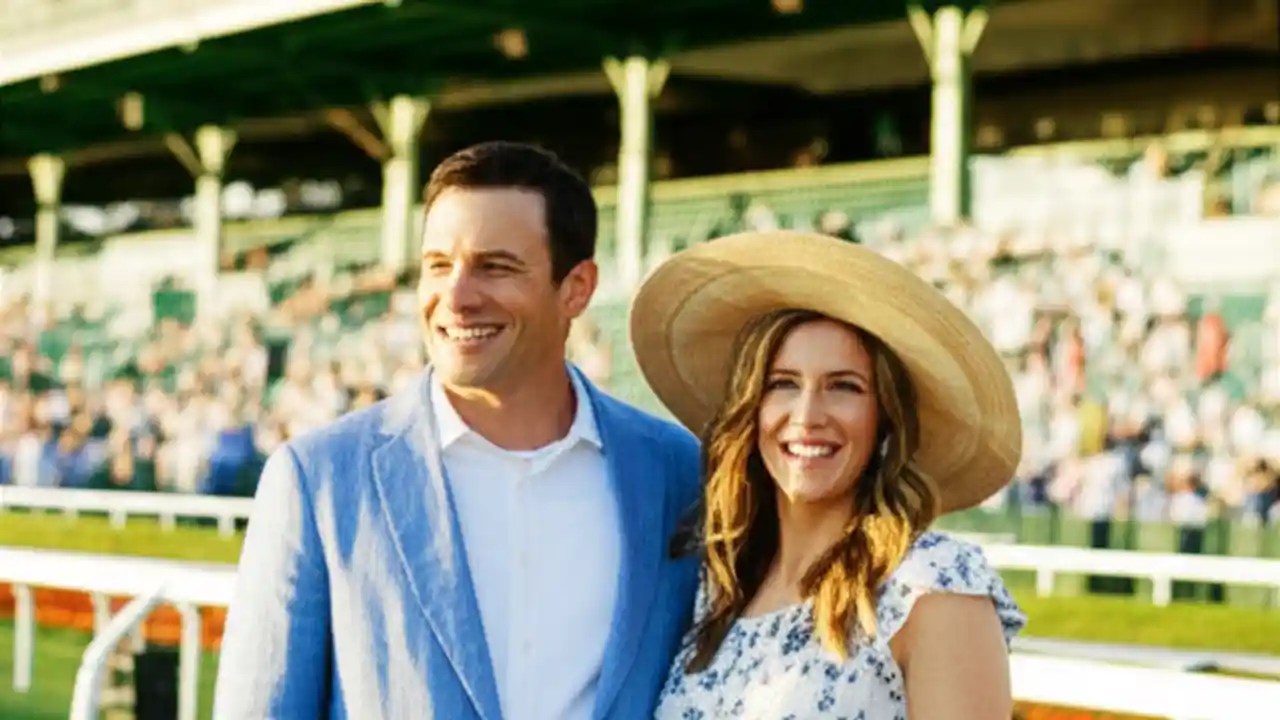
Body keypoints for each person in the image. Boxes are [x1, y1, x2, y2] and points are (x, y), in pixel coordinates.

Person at [213, 141, 702, 719]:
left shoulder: (675, 469)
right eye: (438, 266)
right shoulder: (316, 479)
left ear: (577, 288)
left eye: (495, 267)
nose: (458, 297)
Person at [630, 230, 1027, 719]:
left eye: (844, 386)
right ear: (752, 410)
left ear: (885, 417)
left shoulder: (932, 586)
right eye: (783, 384)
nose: (807, 414)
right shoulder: (717, 595)